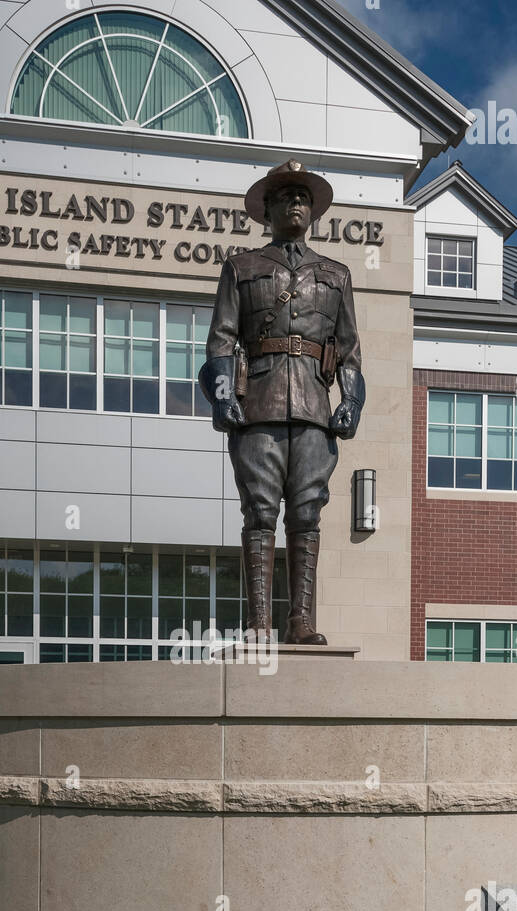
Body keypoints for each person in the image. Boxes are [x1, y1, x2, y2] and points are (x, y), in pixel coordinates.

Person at [199, 159, 365, 644]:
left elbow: (350, 350)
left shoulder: (336, 275)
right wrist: (225, 395)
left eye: (303, 197)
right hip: (259, 410)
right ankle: (258, 624)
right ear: (267, 209)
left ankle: (301, 621)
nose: (296, 202)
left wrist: (350, 400)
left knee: (308, 513)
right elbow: (221, 341)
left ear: (312, 211)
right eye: (286, 196)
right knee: (260, 511)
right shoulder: (241, 268)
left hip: (314, 411)